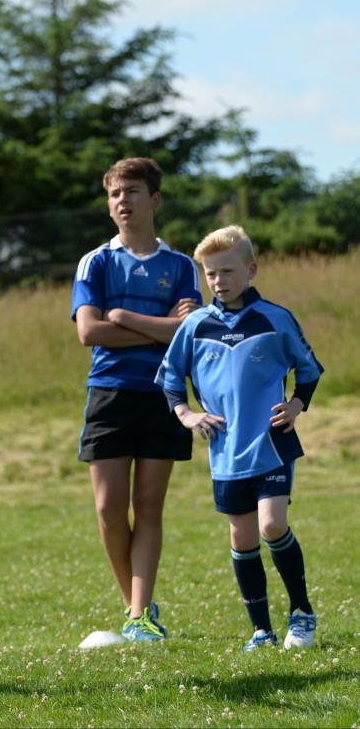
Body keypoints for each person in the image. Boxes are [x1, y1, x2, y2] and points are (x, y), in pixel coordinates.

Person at [155, 225, 323, 651]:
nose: (219, 281)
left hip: (271, 442)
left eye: (227, 271)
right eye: (210, 274)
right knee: (241, 538)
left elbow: (309, 369)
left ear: (250, 269)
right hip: (225, 452)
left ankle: (301, 613)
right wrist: (187, 414)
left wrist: (298, 406)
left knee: (271, 525)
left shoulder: (275, 318)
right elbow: (171, 377)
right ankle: (261, 631)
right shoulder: (194, 325)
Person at [71, 157, 201, 642]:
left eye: (132, 192)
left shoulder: (182, 266)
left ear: (155, 199)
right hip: (109, 393)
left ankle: (139, 615)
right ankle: (137, 606)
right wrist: (159, 328)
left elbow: (189, 334)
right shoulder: (96, 261)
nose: (122, 202)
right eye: (114, 195)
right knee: (108, 509)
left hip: (164, 395)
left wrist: (123, 316)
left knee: (148, 506)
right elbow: (89, 331)